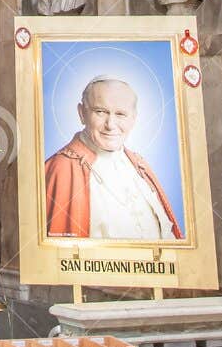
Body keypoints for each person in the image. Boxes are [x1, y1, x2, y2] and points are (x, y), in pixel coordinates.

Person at [45, 76, 183, 239]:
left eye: (121, 114)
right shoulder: (60, 169)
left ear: (133, 118)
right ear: (82, 113)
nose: (110, 124)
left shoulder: (139, 166)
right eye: (100, 112)